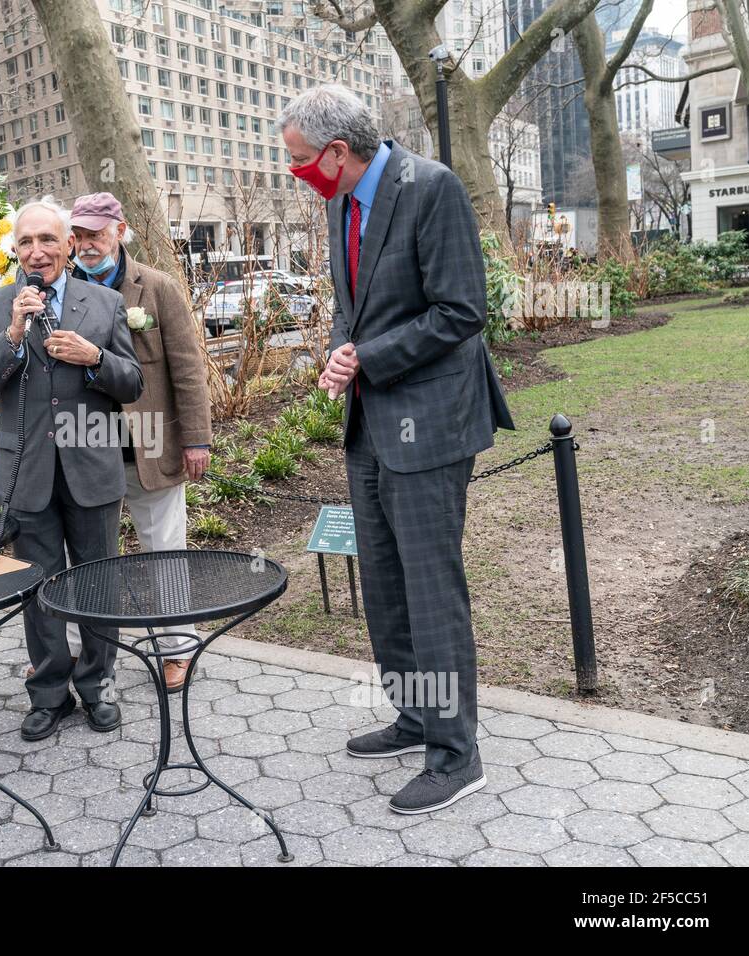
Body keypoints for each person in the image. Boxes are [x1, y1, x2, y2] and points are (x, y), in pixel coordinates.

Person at [278, 84, 514, 814]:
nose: (296, 172)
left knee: (428, 587)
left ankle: (456, 755)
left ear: (337, 152)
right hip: (370, 423)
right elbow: (354, 310)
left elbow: (463, 310)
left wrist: (368, 358)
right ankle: (415, 716)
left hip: (431, 421)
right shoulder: (338, 201)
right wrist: (336, 353)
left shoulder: (431, 189)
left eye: (299, 160)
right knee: (384, 584)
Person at [0, 196, 144, 741]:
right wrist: (14, 335)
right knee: (37, 590)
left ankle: (98, 688)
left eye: (47, 240)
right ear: (14, 250)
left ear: (69, 245)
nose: (37, 252)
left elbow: (131, 383)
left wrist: (95, 359)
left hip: (92, 467)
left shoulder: (105, 303)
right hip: (27, 474)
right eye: (26, 242)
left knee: (97, 583)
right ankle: (48, 694)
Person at [69, 192, 213, 692]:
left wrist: (197, 439)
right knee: (86, 560)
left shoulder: (157, 287)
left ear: (119, 230)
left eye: (97, 234)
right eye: (80, 236)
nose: (87, 245)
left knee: (165, 552)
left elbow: (189, 369)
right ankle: (75, 651)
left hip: (148, 447)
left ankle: (177, 649)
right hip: (83, 450)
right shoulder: (60, 290)